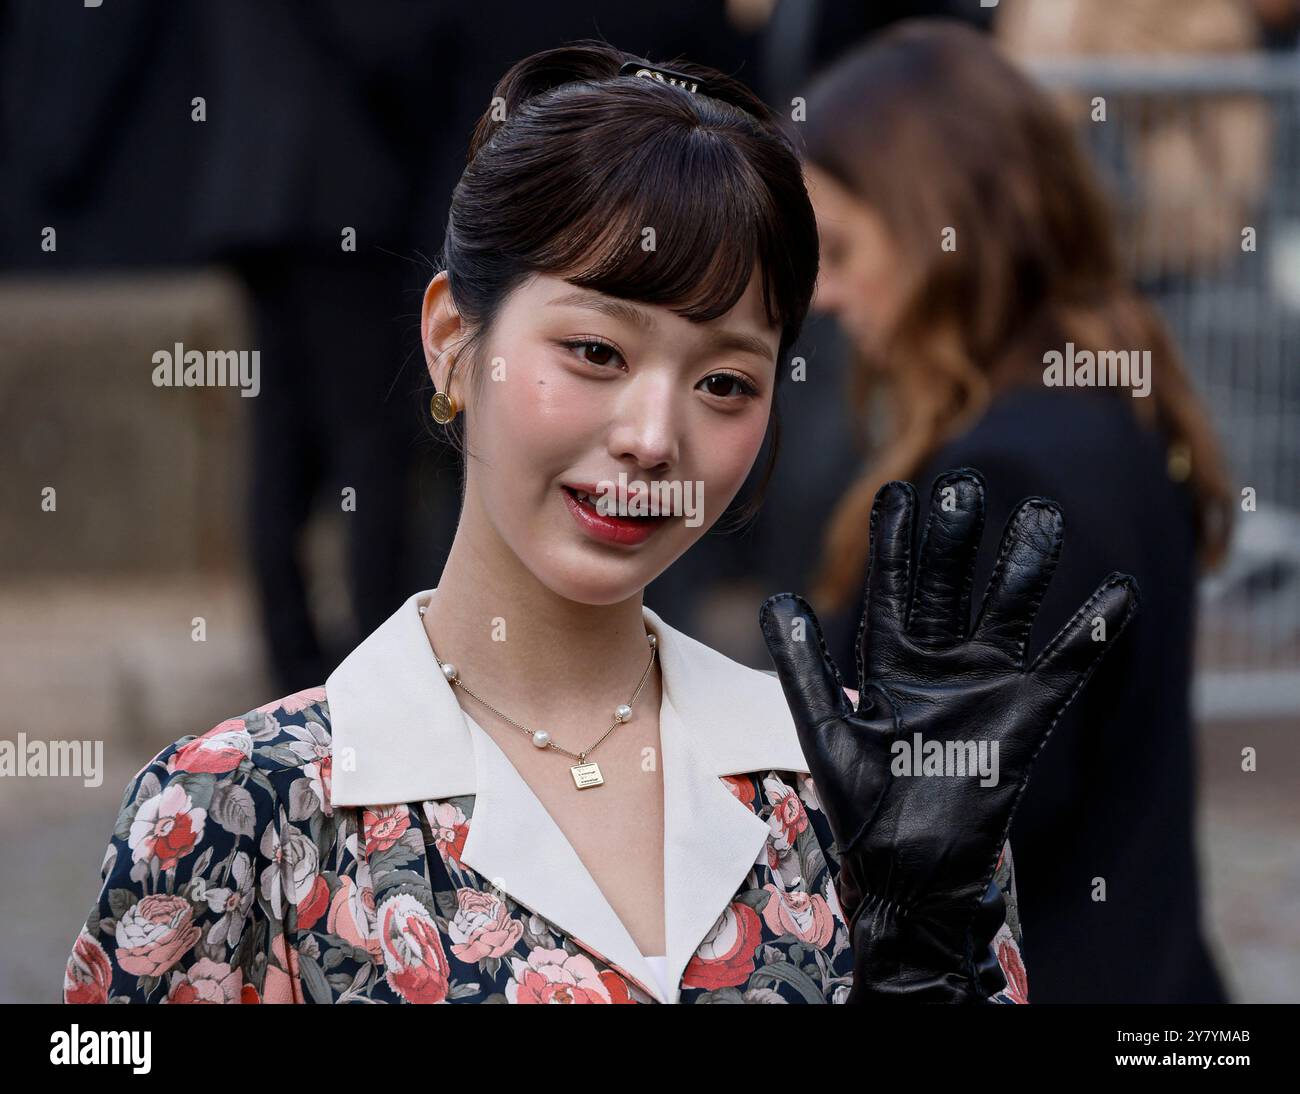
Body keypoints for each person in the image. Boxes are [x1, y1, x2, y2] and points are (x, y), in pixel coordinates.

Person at [61, 41, 1133, 1005]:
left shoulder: (858, 778)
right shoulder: (230, 811)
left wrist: (921, 973)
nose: (653, 436)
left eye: (723, 381)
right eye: (596, 352)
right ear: (451, 338)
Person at [800, 20, 1231, 1002]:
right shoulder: (1098, 410)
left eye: (843, 248)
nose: (823, 293)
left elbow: (954, 819)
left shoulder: (1007, 475)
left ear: (935, 224)